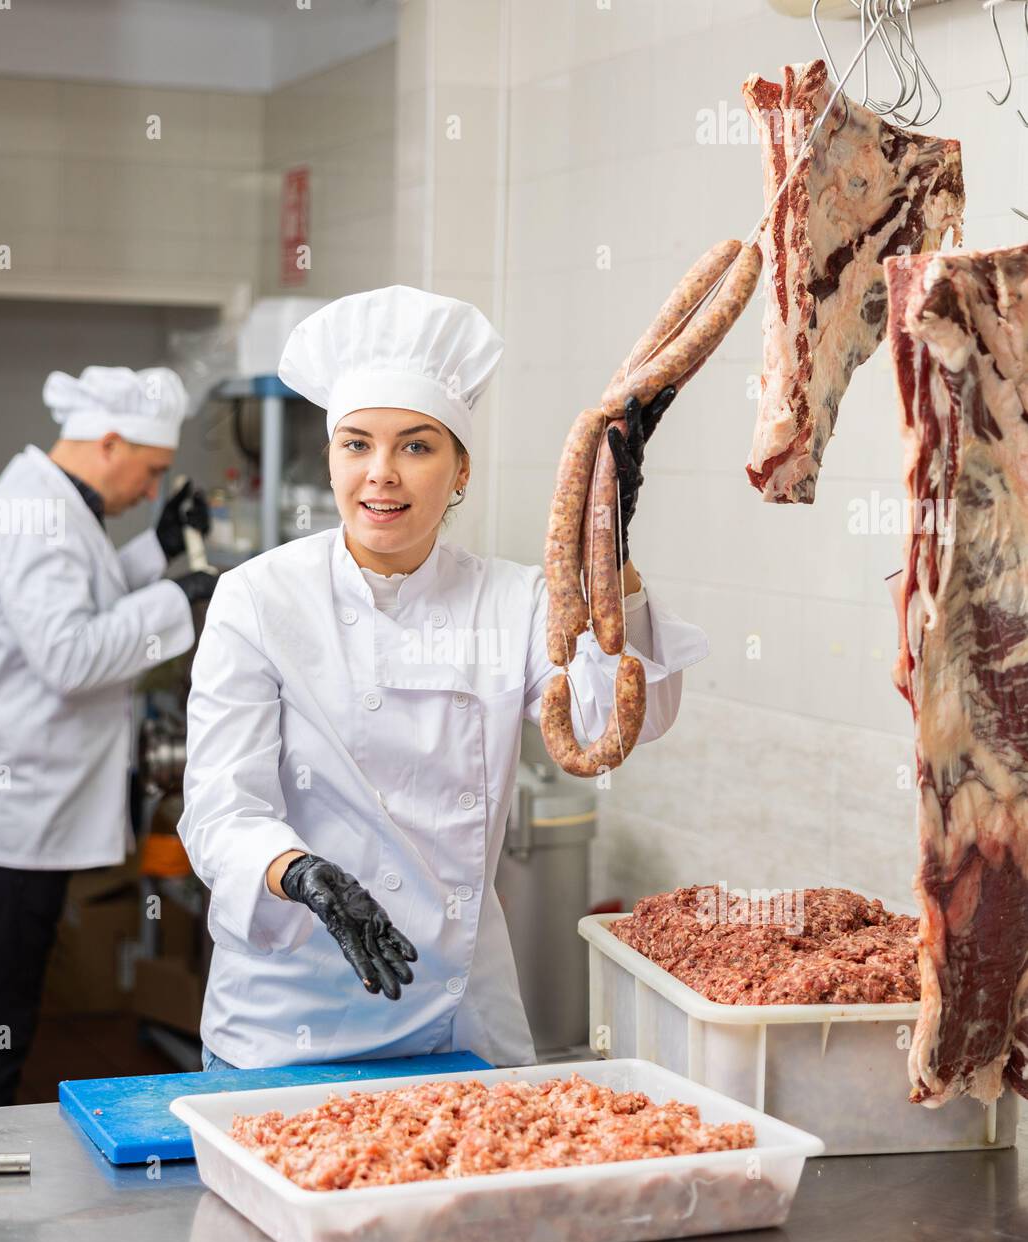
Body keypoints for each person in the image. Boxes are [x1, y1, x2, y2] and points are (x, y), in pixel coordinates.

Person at [179, 285, 708, 1072]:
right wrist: (301, 873)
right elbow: (222, 808)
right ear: (330, 459)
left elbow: (617, 724)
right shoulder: (258, 598)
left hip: (460, 1017)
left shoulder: (512, 597)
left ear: (460, 469)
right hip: (288, 1017)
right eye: (355, 444)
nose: (380, 476)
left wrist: (613, 543)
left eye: (416, 447)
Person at [0, 365, 217, 1111]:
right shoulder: (36, 512)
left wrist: (157, 551)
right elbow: (70, 654)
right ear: (110, 442)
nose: (151, 489)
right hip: (9, 818)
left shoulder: (50, 504)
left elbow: (77, 598)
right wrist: (175, 598)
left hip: (21, 811)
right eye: (150, 473)